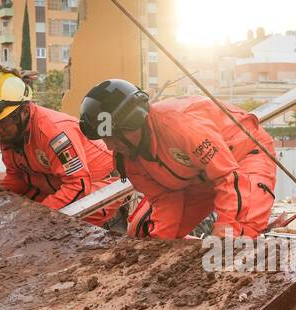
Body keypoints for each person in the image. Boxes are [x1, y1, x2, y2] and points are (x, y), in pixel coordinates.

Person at [77, 81, 277, 239]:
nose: (110, 146)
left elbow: (229, 178)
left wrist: (225, 235)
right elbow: (164, 198)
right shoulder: (130, 159)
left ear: (133, 122)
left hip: (243, 156)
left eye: (113, 137)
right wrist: (158, 248)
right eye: (105, 139)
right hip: (198, 177)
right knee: (143, 234)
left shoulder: (181, 126)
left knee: (235, 233)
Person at [0, 66, 121, 224]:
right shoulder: (9, 133)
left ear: (23, 112)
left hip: (101, 185)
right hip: (55, 187)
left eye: (2, 123)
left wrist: (37, 217)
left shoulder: (54, 133)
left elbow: (78, 186)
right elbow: (17, 177)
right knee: (11, 217)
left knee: (56, 226)